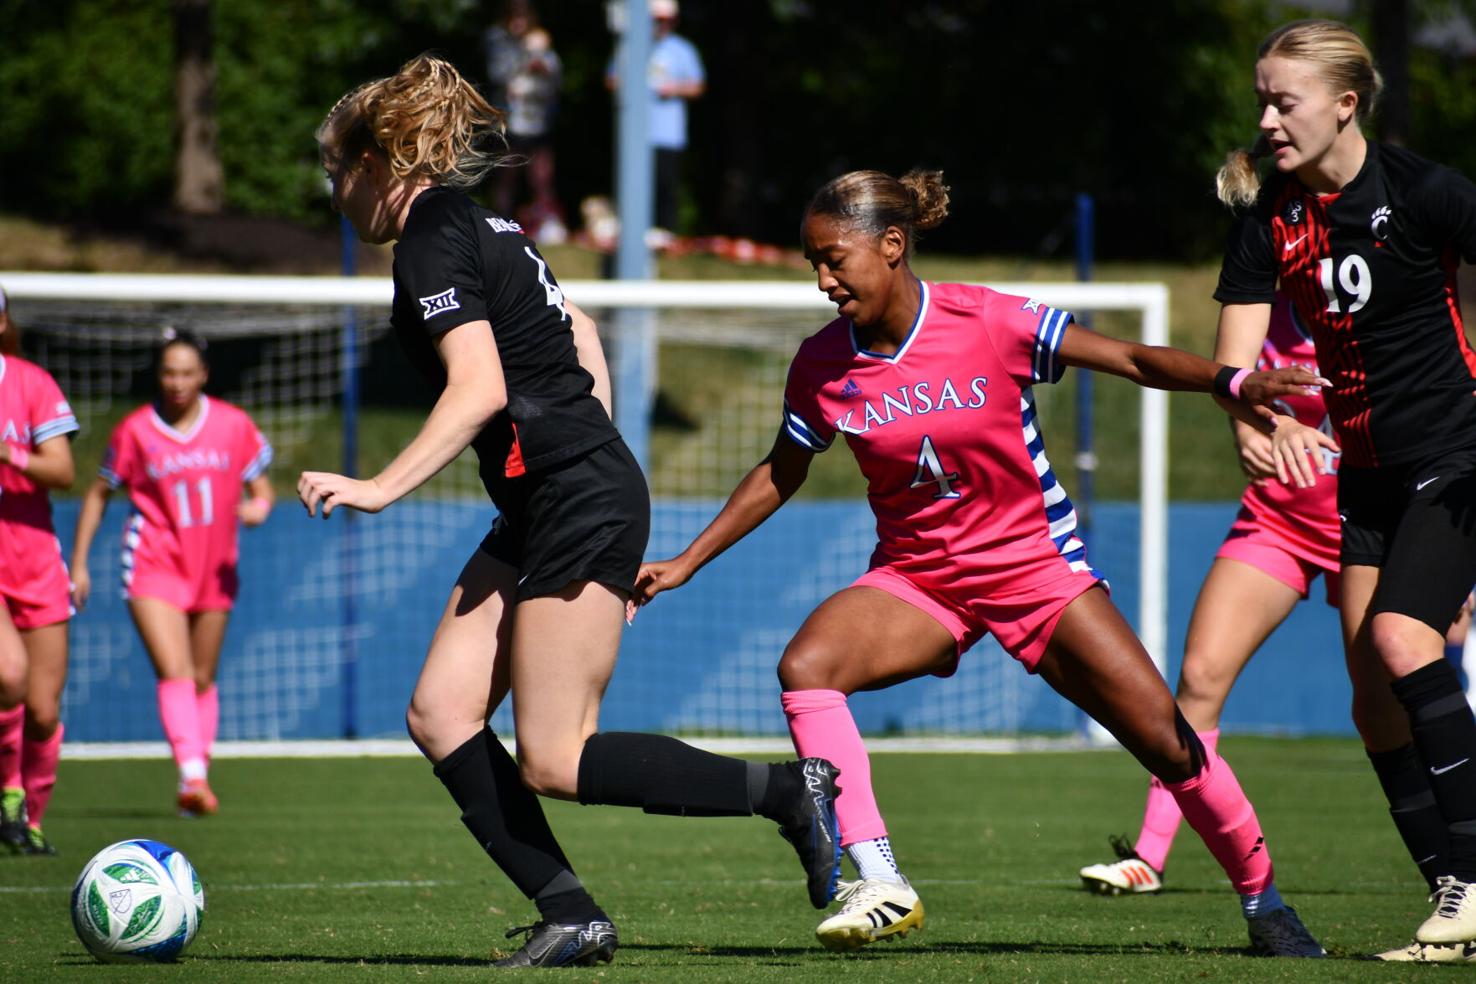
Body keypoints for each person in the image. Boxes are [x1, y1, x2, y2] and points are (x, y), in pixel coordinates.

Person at [630, 167, 1330, 956]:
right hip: (920, 581)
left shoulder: (986, 318)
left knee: (1169, 745)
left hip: (1039, 574)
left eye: (834, 259)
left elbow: (1131, 359)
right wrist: (687, 560)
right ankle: (881, 878)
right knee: (808, 667)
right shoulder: (822, 364)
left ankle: (1265, 904)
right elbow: (780, 470)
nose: (824, 280)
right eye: (813, 263)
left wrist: (1235, 382)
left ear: (892, 246)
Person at [303, 53, 841, 970]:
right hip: (556, 492)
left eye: (333, 167)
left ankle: (790, 792)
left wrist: (380, 486)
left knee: (554, 756)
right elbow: (578, 333)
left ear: (377, 160)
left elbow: (476, 389)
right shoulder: (484, 225)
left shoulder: (432, 235)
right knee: (440, 712)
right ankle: (572, 914)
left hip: (572, 496)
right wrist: (568, 442)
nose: (330, 188)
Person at [1211, 18, 1476, 962]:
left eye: (1285, 101)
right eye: (1263, 102)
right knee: (1373, 698)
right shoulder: (1268, 218)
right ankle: (1452, 898)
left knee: (1406, 641)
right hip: (1362, 477)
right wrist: (1259, 420)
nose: (1269, 119)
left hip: (1456, 453)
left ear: (1345, 104)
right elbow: (1233, 369)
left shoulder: (1426, 193)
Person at [1080, 293, 1346, 893]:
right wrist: (1242, 428)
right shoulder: (1264, 306)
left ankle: (1450, 870)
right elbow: (1231, 379)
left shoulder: (1387, 295)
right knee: (1199, 676)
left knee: (1391, 697)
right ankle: (1148, 858)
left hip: (1372, 526)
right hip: (1278, 520)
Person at [70, 330, 273, 818]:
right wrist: (78, 563)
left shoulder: (233, 425)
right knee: (175, 671)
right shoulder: (136, 430)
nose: (177, 382)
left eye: (187, 372)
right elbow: (100, 492)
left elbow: (261, 490)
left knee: (202, 677)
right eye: (168, 373)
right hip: (153, 563)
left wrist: (258, 507)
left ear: (202, 374)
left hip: (214, 567)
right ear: (158, 376)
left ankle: (194, 779)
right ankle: (192, 776)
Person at [0, 284, 77, 855]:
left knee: (45, 712)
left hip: (33, 557)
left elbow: (63, 471)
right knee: (8, 675)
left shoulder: (30, 383)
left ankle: (29, 820)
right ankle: (6, 793)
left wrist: (9, 453)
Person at [606, 0, 705, 243]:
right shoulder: (631, 47)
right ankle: (632, 233)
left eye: (665, 20)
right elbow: (611, 80)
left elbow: (698, 86)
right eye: (655, 19)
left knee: (666, 185)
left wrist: (675, 89)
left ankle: (666, 235)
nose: (660, 25)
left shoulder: (683, 50)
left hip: (668, 133)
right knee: (634, 185)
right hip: (635, 134)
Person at [484, 2, 565, 242]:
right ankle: (498, 225)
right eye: (514, 17)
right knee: (506, 177)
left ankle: (544, 227)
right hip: (510, 122)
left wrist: (542, 64)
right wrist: (524, 60)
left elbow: (556, 82)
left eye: (523, 17)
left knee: (541, 178)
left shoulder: (544, 48)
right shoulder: (500, 45)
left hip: (538, 122)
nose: (518, 22)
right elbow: (497, 74)